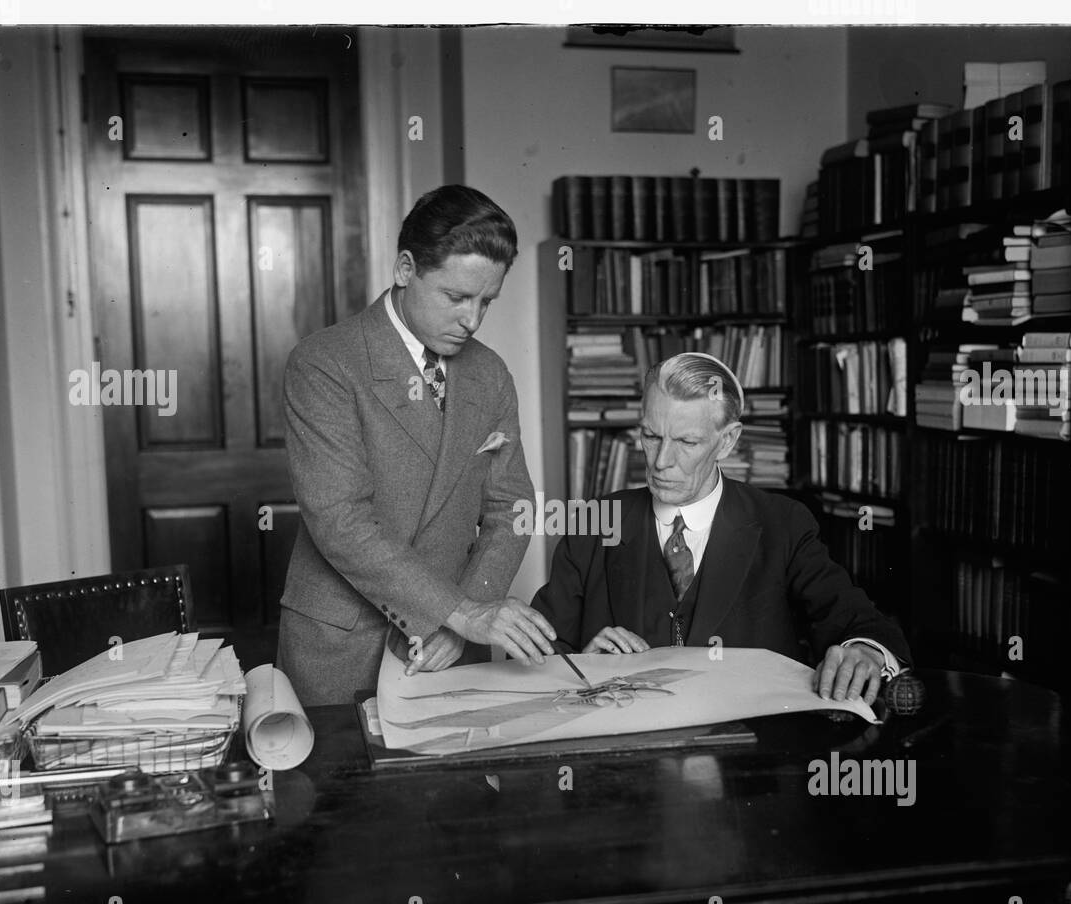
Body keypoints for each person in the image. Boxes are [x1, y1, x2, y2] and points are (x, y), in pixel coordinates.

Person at [278, 185, 556, 706]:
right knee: (335, 787)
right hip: (341, 642)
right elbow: (341, 522)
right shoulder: (324, 363)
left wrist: (462, 618)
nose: (471, 320)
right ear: (406, 269)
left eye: (486, 301)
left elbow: (511, 508)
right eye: (456, 297)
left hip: (455, 646)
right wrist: (457, 611)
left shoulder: (489, 373)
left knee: (455, 788)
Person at [530, 352, 911, 705]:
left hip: (748, 757)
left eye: (686, 441)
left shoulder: (784, 524)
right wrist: (583, 669)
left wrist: (866, 653)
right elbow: (539, 660)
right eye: (650, 436)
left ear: (727, 441)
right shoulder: (592, 522)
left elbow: (858, 621)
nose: (662, 461)